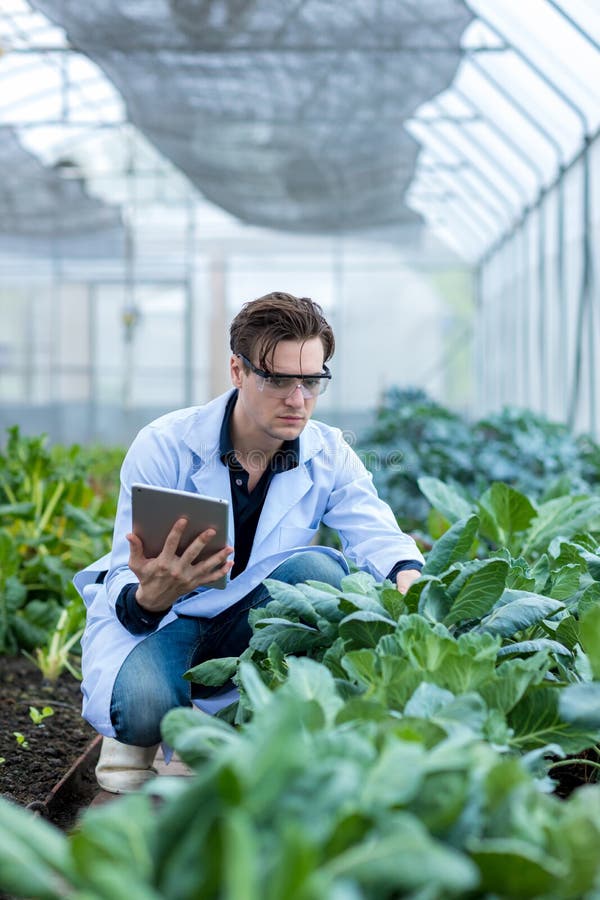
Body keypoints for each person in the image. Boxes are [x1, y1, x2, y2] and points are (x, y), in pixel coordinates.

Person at [74, 291, 424, 792]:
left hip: (251, 621)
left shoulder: (329, 452)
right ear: (237, 371)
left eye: (311, 381)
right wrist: (152, 596)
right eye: (277, 379)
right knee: (143, 707)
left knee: (324, 576)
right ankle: (141, 732)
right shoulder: (166, 445)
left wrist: (411, 586)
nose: (297, 399)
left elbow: (378, 536)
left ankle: (222, 722)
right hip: (165, 620)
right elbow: (128, 573)